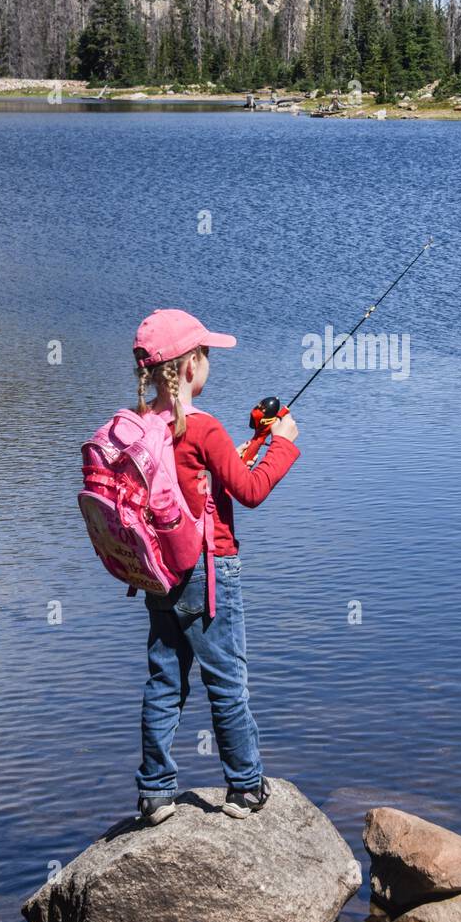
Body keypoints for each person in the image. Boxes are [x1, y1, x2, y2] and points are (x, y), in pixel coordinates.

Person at [131, 308, 300, 825]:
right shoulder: (203, 428)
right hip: (209, 573)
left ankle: (156, 792)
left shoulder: (141, 426)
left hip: (160, 574)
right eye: (206, 357)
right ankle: (246, 786)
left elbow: (205, 483)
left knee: (164, 680)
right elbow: (248, 491)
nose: (210, 367)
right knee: (227, 680)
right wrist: (284, 442)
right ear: (187, 369)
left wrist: (253, 444)